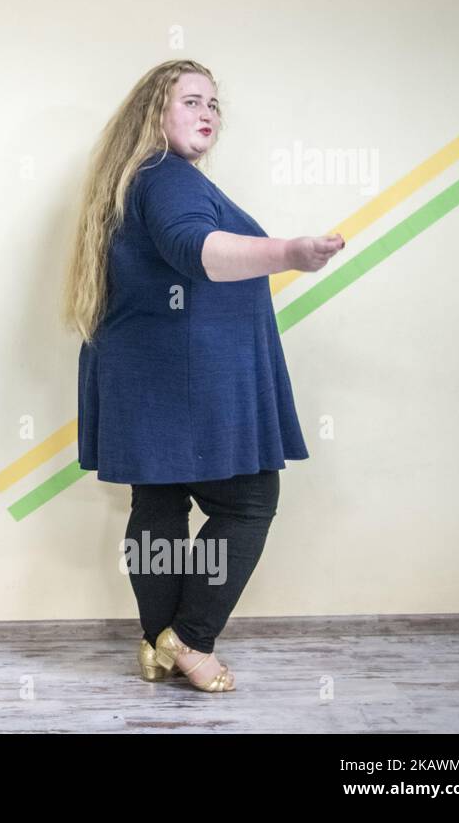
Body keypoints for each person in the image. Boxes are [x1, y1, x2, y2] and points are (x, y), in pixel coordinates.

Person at [64, 60, 345, 692]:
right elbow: (196, 250)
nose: (208, 112)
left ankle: (157, 644)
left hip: (145, 370)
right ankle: (189, 638)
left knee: (159, 503)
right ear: (154, 114)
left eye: (213, 104)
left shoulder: (136, 178)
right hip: (185, 377)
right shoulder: (169, 177)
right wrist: (290, 253)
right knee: (248, 500)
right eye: (191, 101)